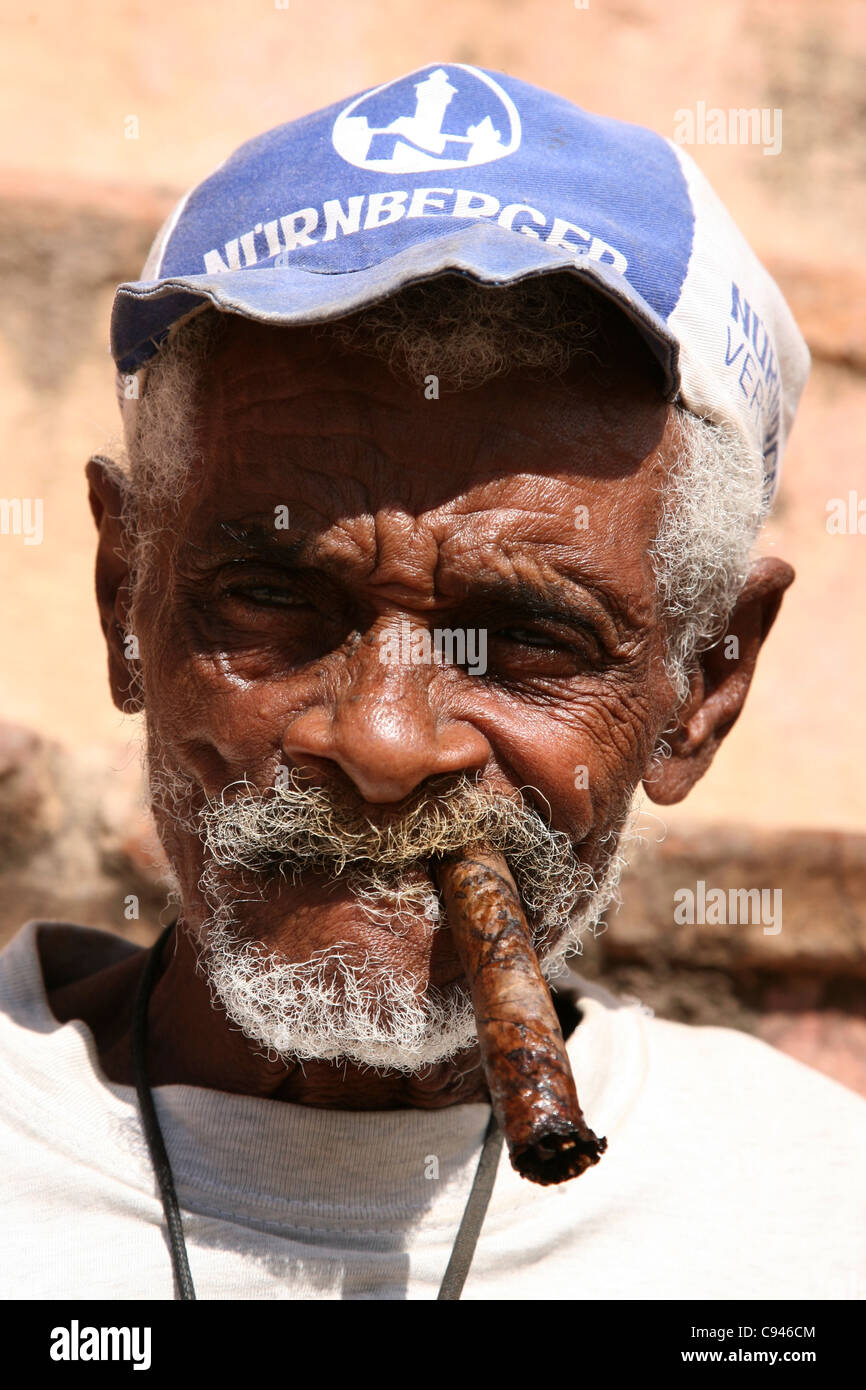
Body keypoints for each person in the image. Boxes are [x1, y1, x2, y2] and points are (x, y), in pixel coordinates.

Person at [1, 63, 864, 1302]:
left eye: (523, 639)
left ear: (702, 688)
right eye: (275, 597)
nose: (385, 741)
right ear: (123, 596)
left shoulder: (818, 1223)